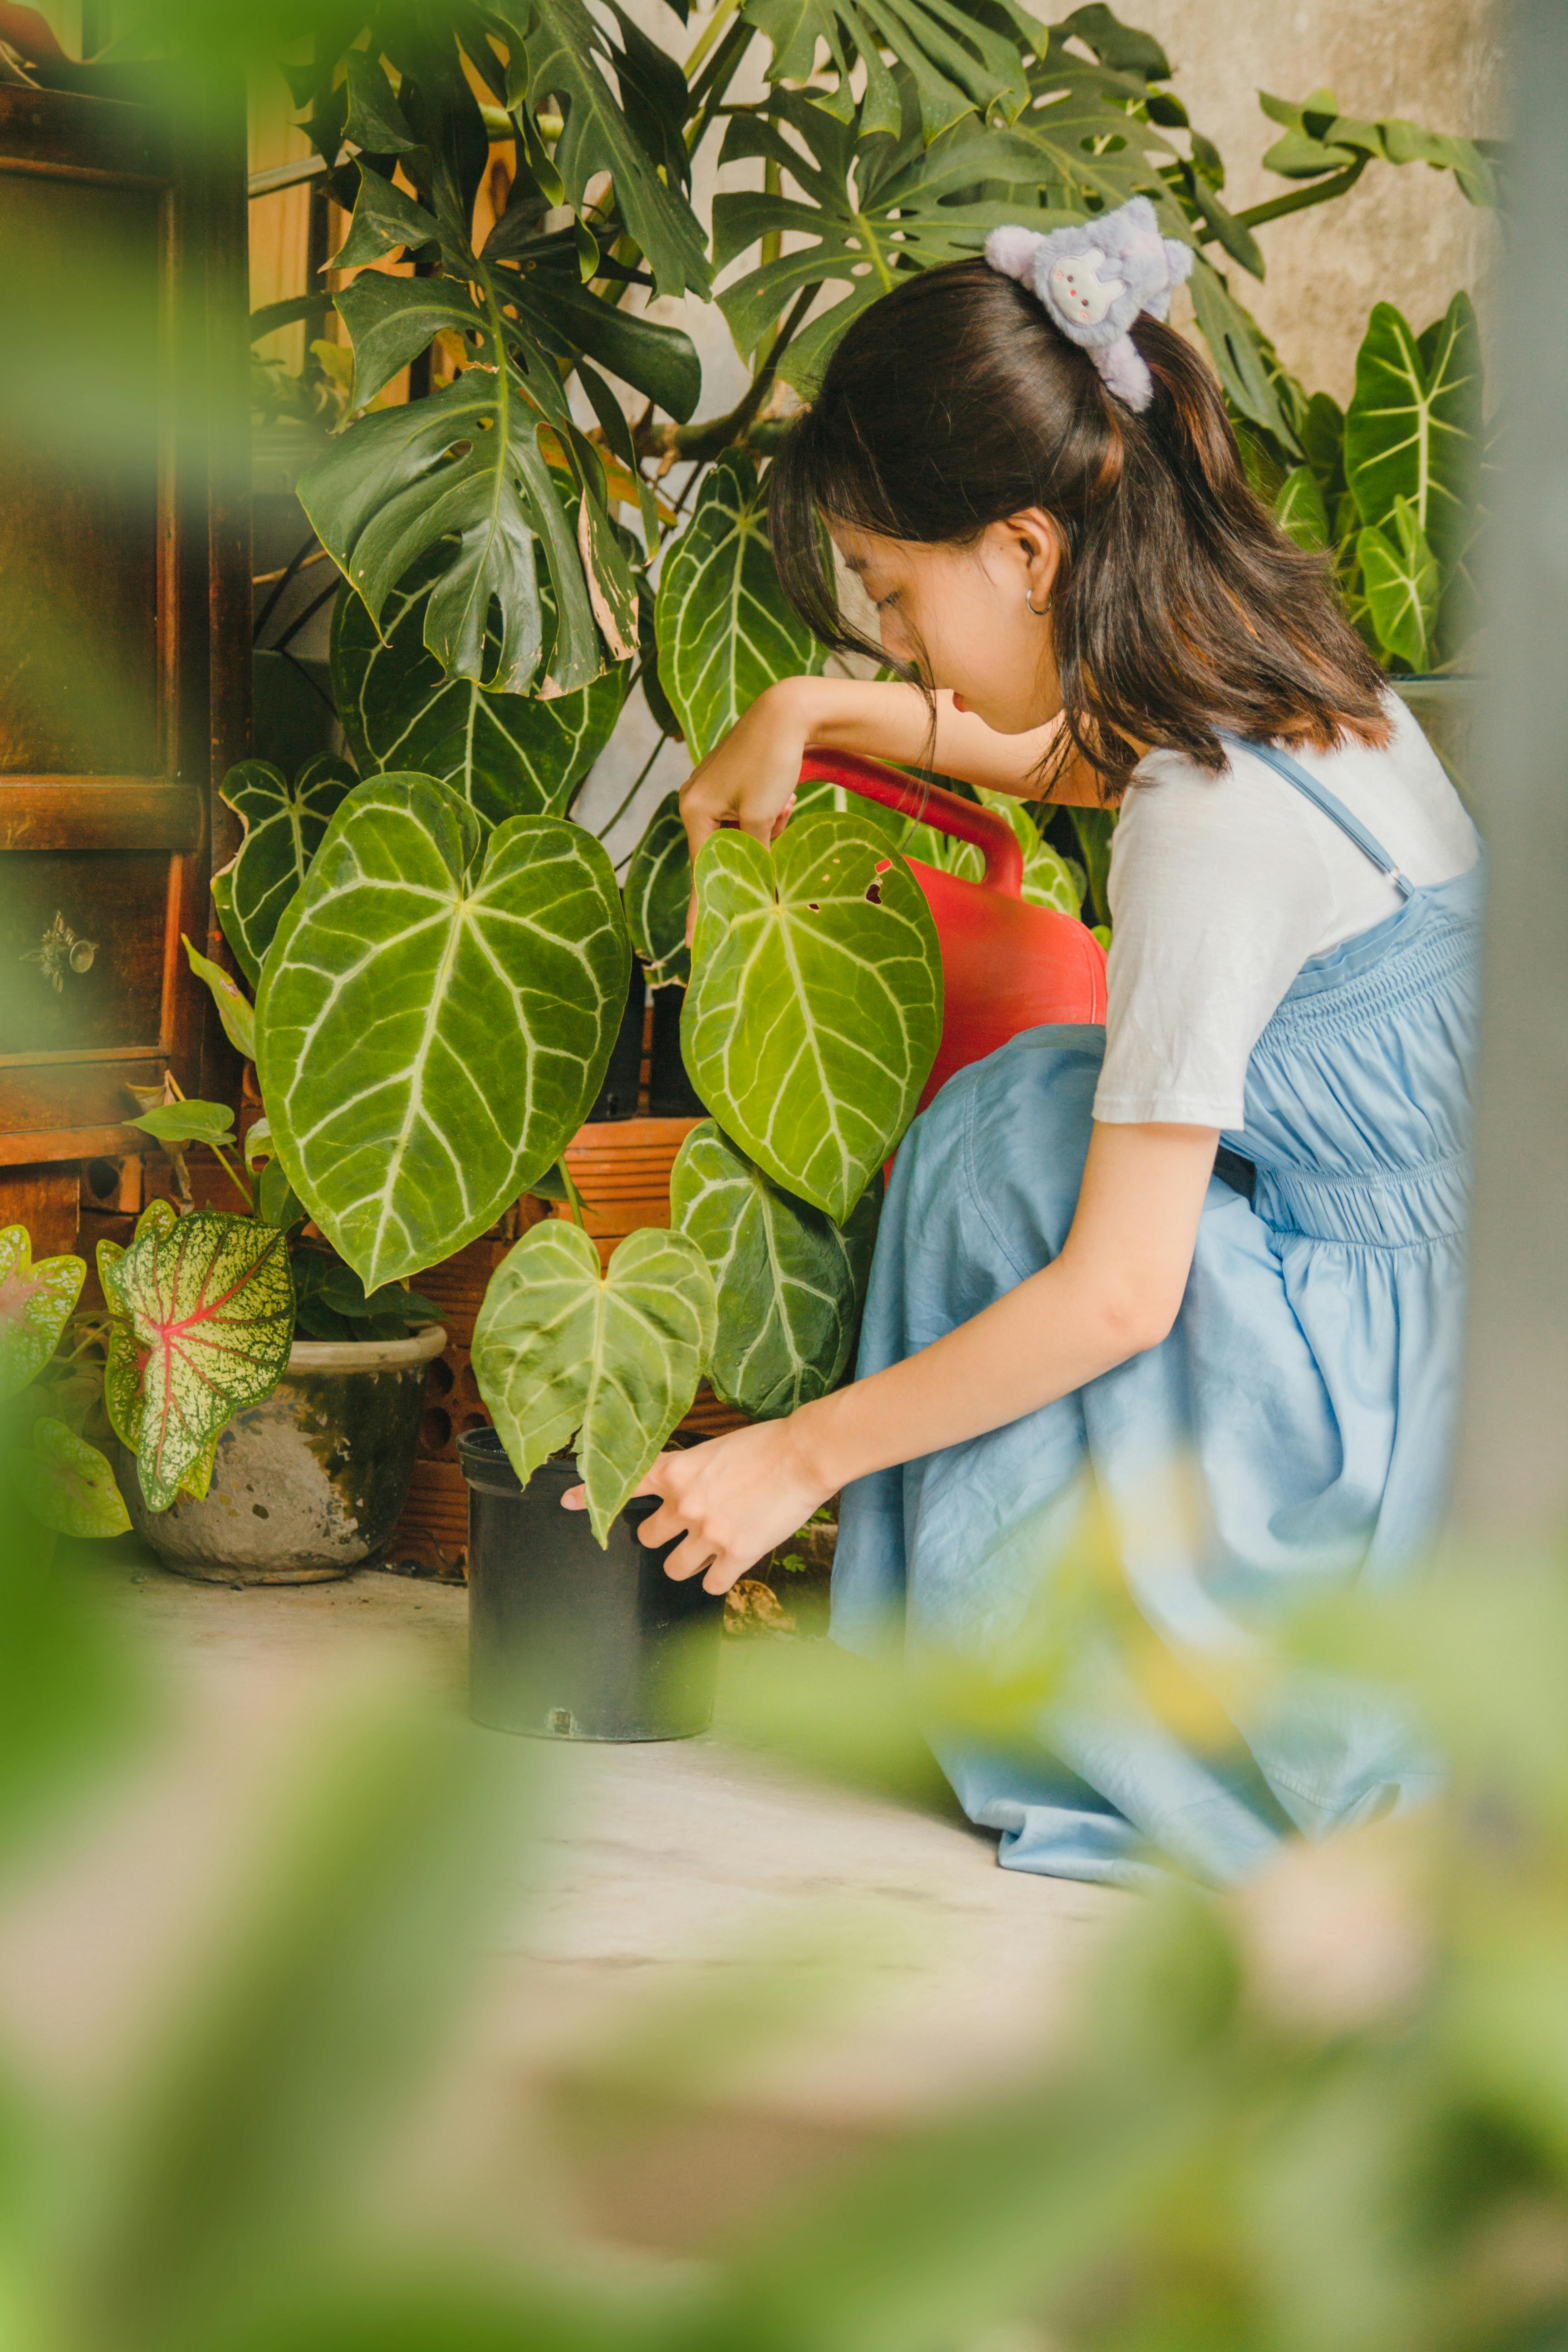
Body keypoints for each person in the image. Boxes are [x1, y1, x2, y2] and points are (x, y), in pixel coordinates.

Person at [567, 198, 1483, 1886]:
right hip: (1450, 1332)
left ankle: (1087, 1688)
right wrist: (820, 708)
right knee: (1047, 1104)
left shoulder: (1206, 832)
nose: (894, 637)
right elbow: (1076, 748)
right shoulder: (1279, 687)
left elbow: (1122, 1294)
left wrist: (795, 1453)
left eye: (893, 597)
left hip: (1368, 1450)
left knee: (1007, 1151)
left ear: (1028, 552)